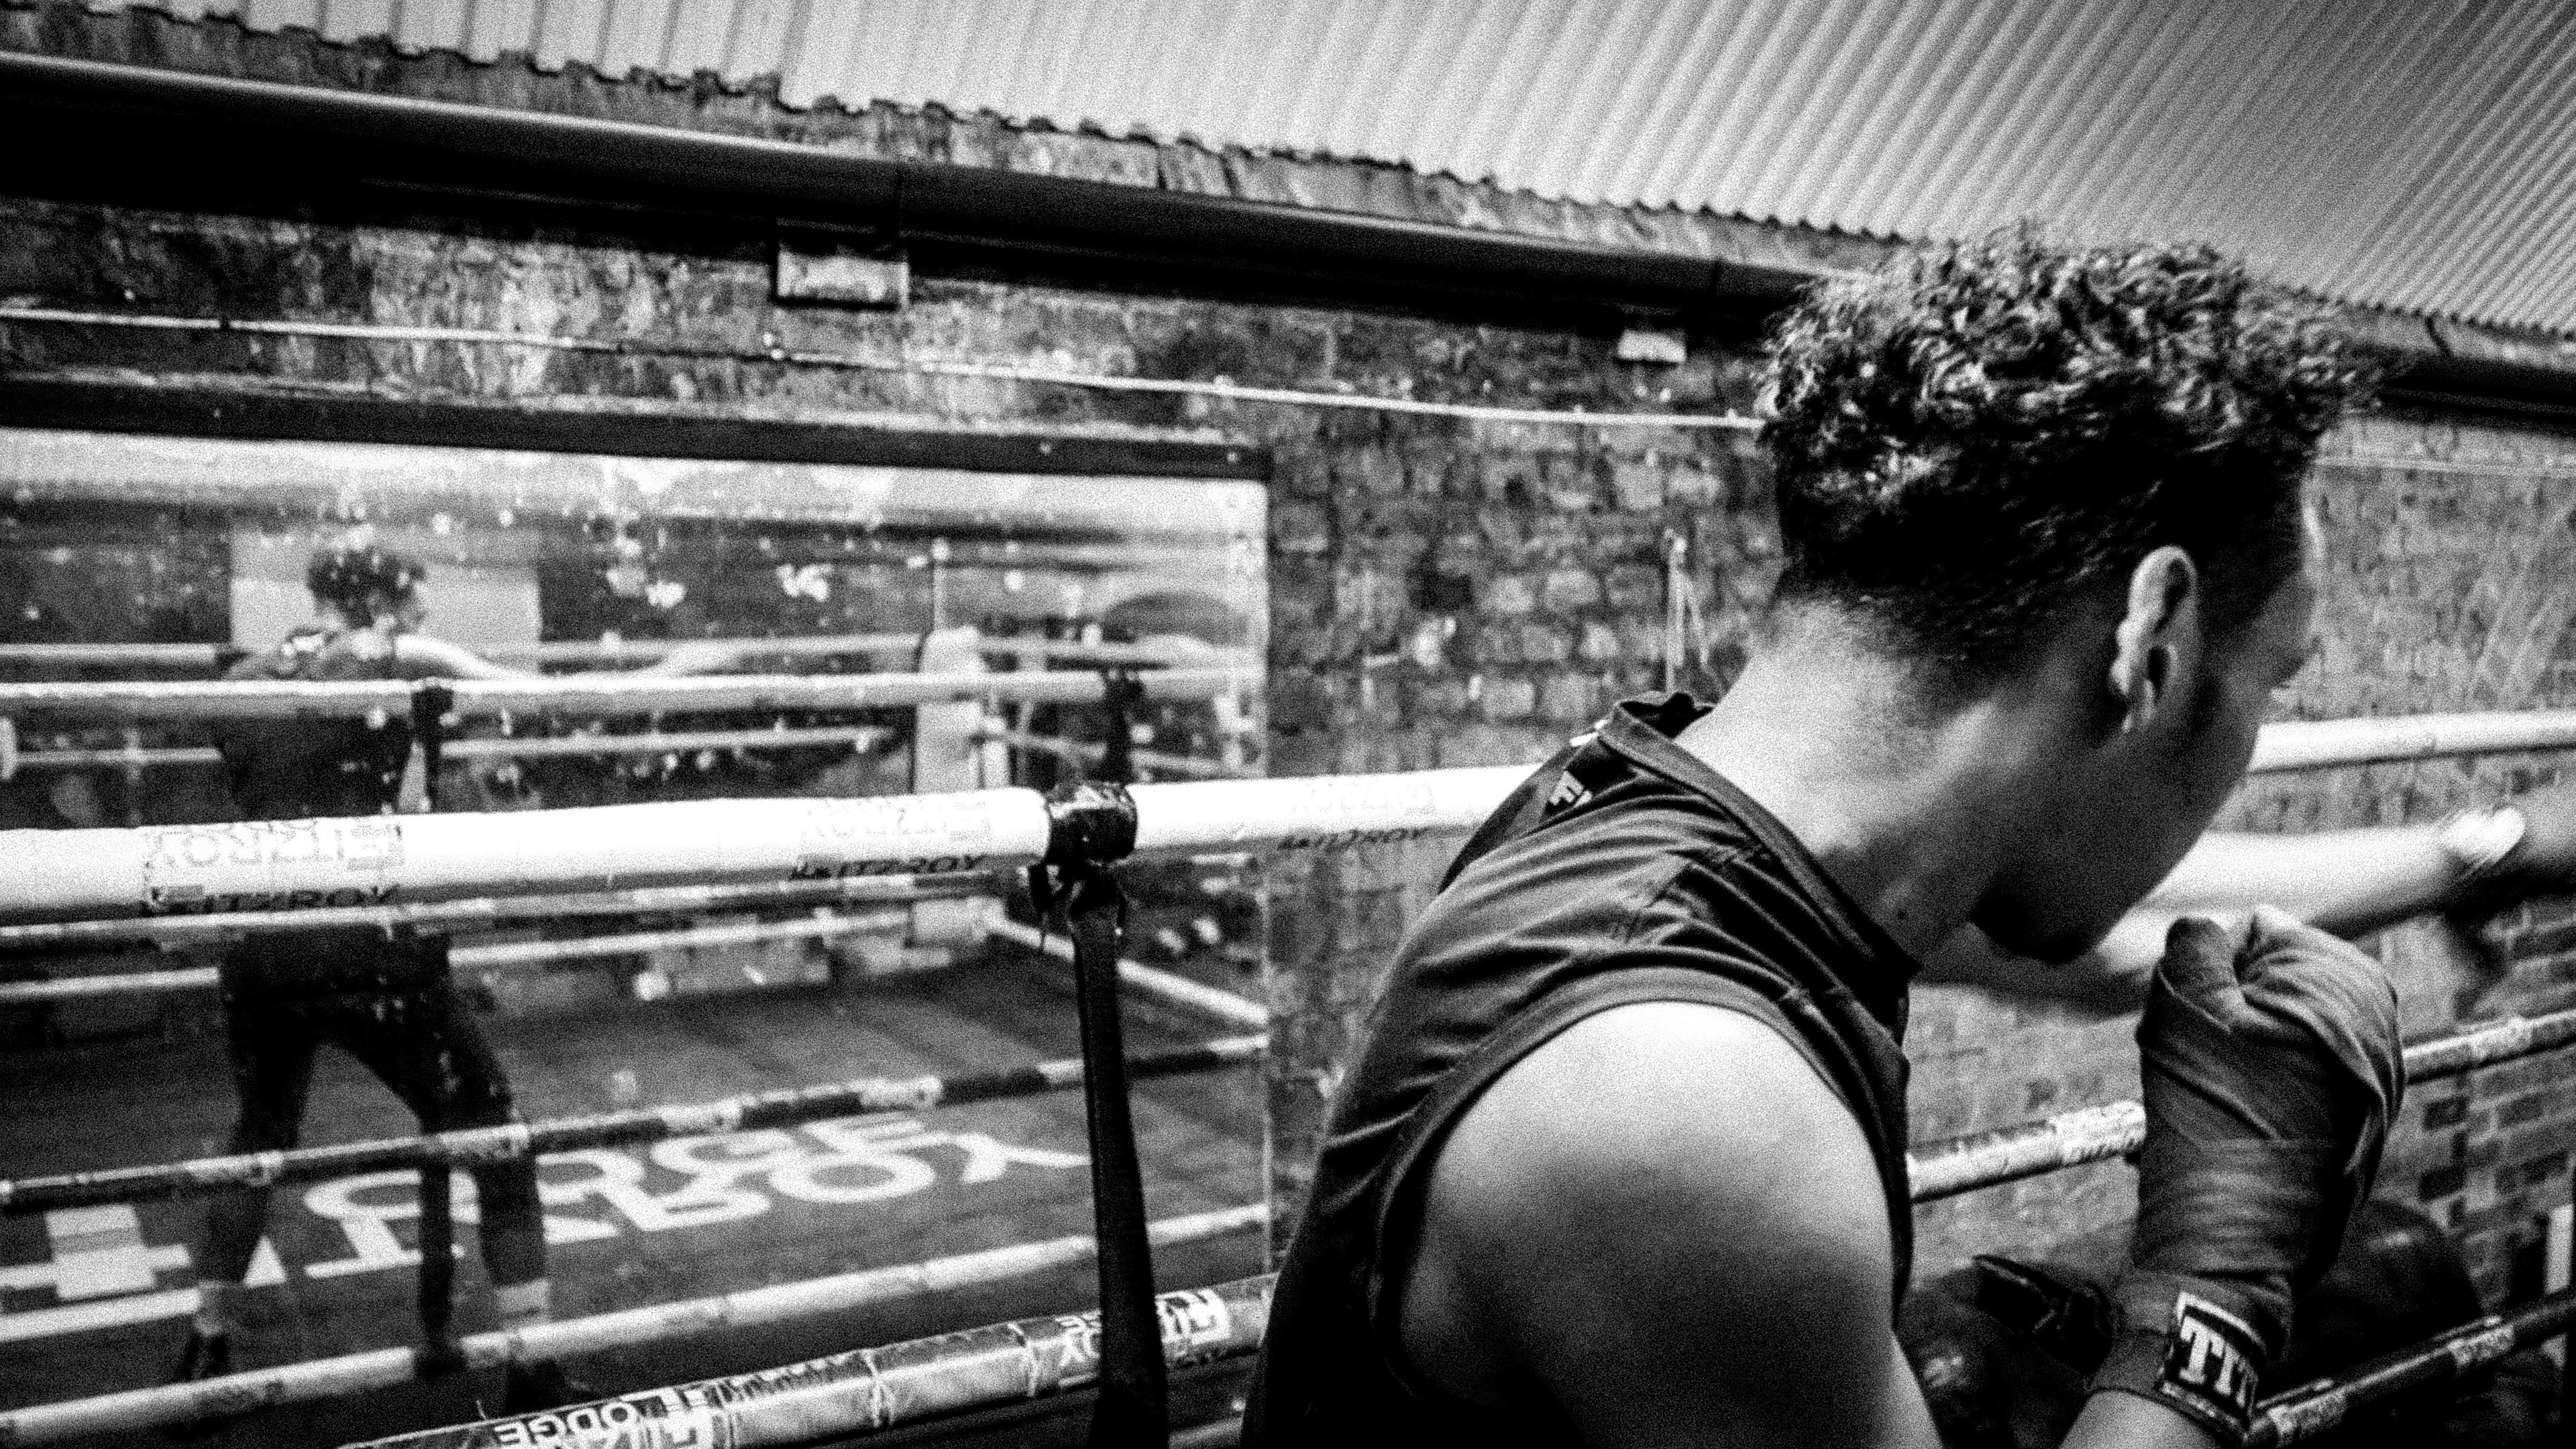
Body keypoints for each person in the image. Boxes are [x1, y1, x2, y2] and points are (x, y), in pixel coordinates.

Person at [1244, 231, 2576, 1448]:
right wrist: (2216, 1300)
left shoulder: (1681, 818)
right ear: (2153, 644)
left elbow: (2120, 946)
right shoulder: (1675, 1104)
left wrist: (2485, 851)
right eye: (2274, 679)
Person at [174, 542, 732, 1412]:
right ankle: (531, 1358)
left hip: (265, 941)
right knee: (498, 1137)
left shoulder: (244, 674)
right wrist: (685, 667)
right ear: (385, 600)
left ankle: (206, 1340)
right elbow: (548, 698)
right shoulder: (391, 656)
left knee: (259, 1137)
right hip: (365, 939)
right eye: (417, 605)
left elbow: (264, 788)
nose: (425, 621)